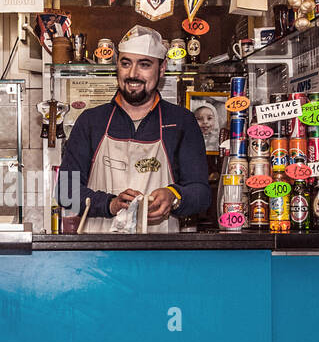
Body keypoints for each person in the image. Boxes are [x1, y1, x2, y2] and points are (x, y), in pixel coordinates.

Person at [56, 25, 210, 232]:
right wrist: (110, 204)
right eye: (126, 63)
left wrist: (174, 196)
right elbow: (66, 192)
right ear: (117, 65)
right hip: (99, 254)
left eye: (144, 65)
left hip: (159, 252)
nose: (133, 74)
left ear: (162, 68)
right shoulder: (91, 121)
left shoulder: (181, 121)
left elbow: (201, 193)